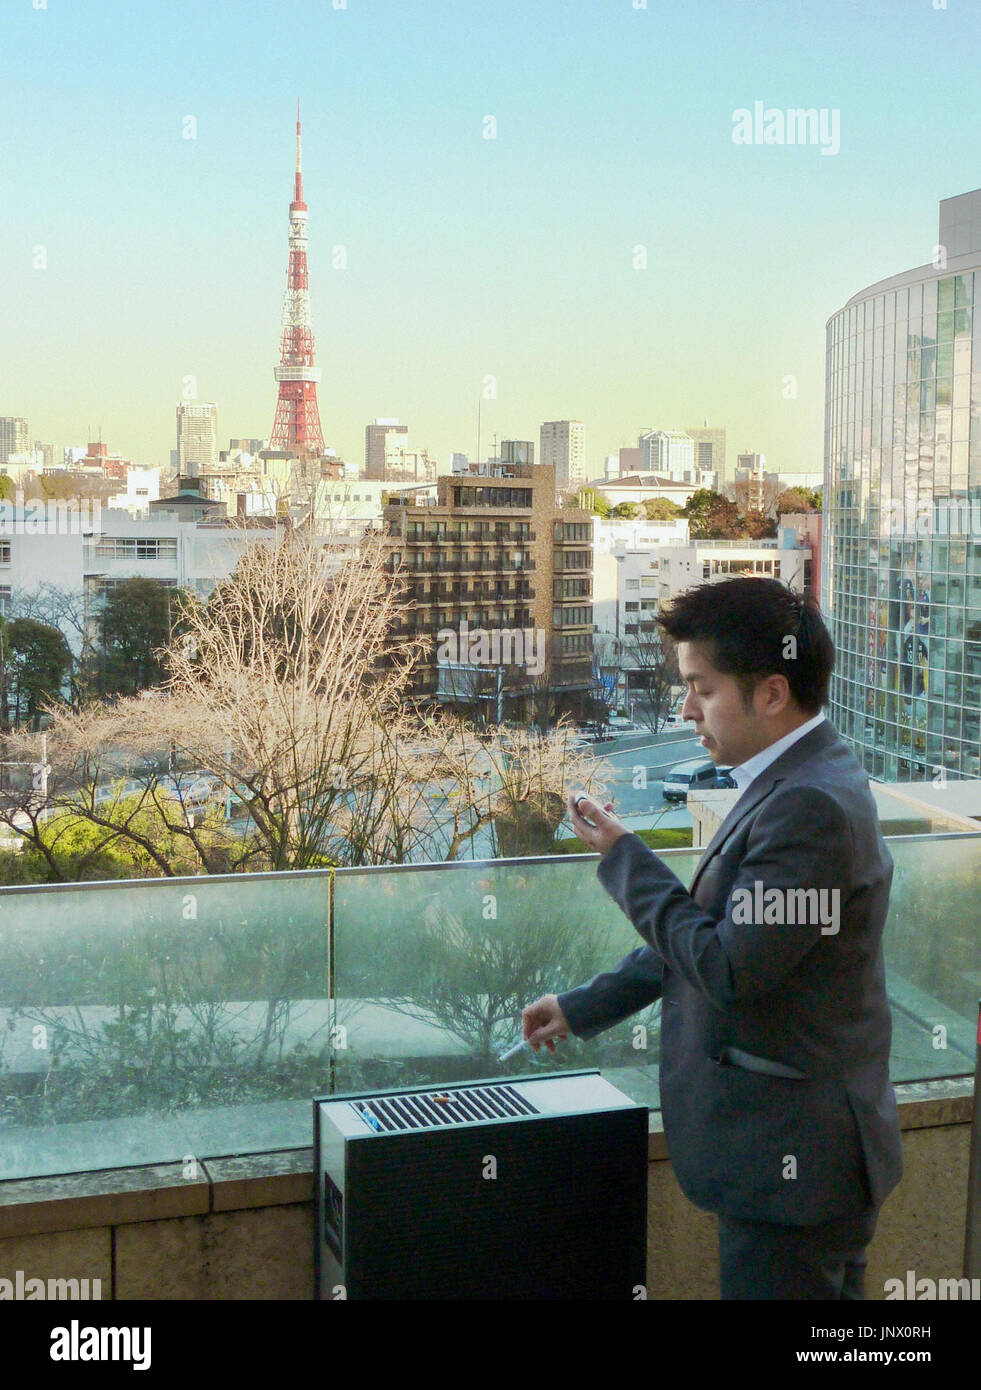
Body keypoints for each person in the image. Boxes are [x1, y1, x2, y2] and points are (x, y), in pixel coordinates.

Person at [522, 577, 903, 1300]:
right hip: (796, 1161)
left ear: (772, 693)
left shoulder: (810, 804)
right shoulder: (796, 778)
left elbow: (726, 966)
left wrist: (625, 858)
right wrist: (584, 1005)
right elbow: (719, 929)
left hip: (792, 1169)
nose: (685, 709)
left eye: (701, 688)